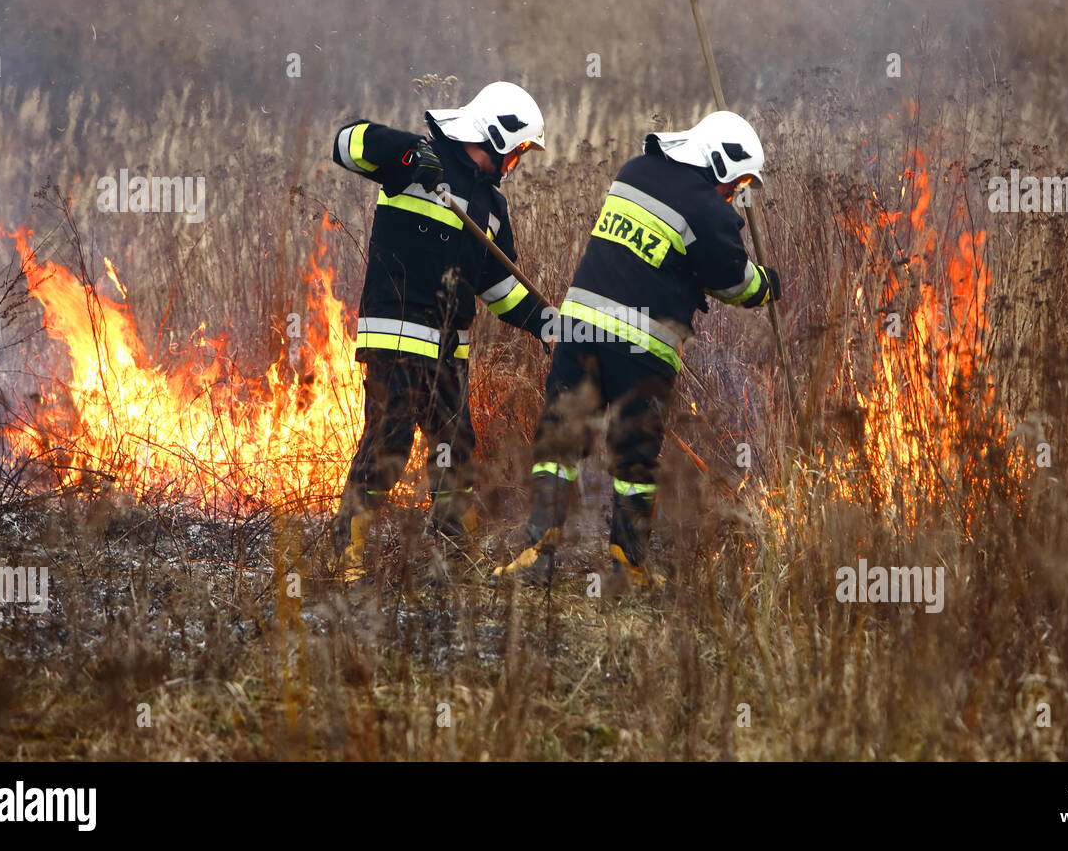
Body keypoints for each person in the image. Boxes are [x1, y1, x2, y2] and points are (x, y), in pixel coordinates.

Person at [494, 111, 780, 588]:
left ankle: (536, 551)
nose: (735, 194)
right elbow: (733, 281)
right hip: (641, 348)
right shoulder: (709, 212)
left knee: (560, 440)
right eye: (737, 182)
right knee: (634, 458)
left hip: (580, 329)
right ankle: (628, 565)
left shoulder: (633, 170)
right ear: (719, 164)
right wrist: (767, 285)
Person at [331, 81, 548, 576]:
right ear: (495, 136)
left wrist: (545, 324)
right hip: (396, 336)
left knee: (456, 450)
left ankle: (452, 554)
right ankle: (346, 554)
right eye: (515, 152)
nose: (515, 164)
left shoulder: (492, 207)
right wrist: (407, 158)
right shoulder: (416, 159)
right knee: (388, 443)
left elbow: (497, 286)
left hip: (449, 350)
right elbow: (347, 142)